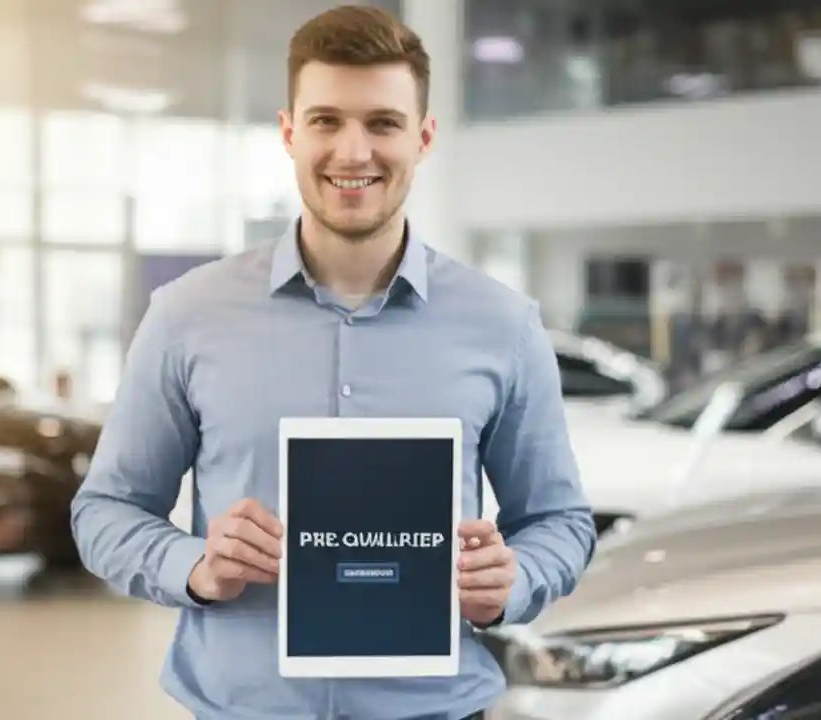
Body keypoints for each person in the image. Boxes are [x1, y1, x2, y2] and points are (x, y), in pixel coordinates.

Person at [71, 6, 595, 719]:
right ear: (289, 132)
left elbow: (560, 520)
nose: (353, 152)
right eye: (326, 121)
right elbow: (105, 511)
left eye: (382, 123)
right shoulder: (186, 316)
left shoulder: (503, 325)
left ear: (424, 137)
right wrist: (193, 564)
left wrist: (515, 577)